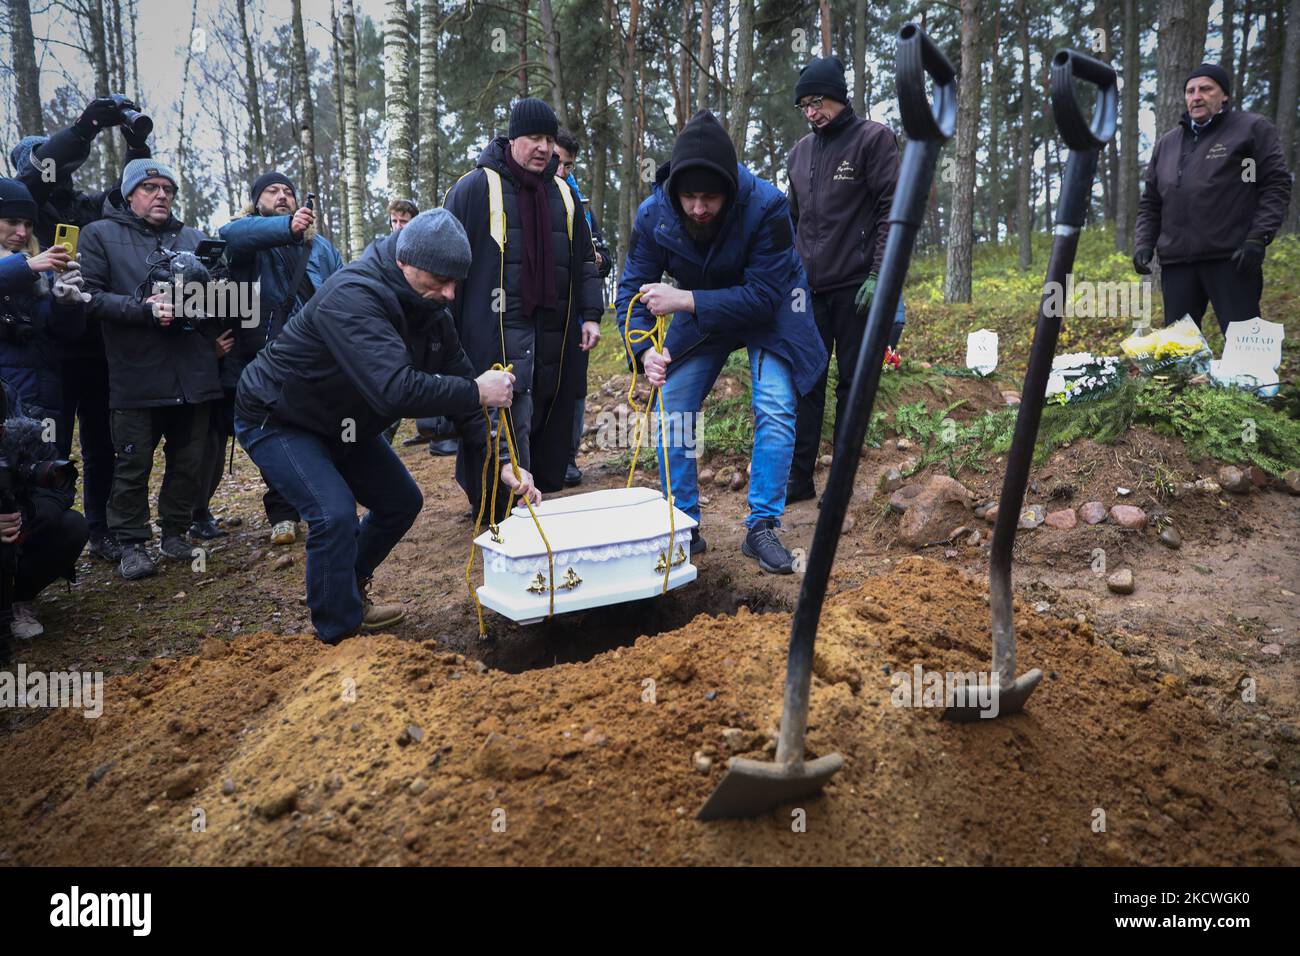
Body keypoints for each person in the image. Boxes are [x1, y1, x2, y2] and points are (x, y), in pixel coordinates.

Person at [234, 209, 537, 644]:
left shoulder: (431, 308)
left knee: (400, 501)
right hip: (279, 415)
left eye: (457, 282)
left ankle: (346, 591)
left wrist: (504, 461)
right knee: (332, 513)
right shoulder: (353, 295)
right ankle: (339, 636)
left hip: (344, 422)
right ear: (404, 260)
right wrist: (475, 390)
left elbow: (465, 392)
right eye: (440, 280)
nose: (450, 294)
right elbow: (393, 390)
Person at [615, 109, 827, 575]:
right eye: (689, 197)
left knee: (775, 403)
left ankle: (762, 526)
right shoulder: (655, 214)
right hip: (701, 310)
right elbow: (631, 291)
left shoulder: (767, 207)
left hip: (770, 308)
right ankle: (684, 522)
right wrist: (643, 350)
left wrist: (685, 298)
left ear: (729, 190)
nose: (698, 208)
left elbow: (762, 297)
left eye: (709, 197)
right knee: (676, 400)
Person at [11, 95, 152, 564]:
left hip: (91, 344)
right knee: (44, 445)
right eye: (50, 160)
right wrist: (87, 126)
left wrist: (135, 147)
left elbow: (124, 199)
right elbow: (38, 172)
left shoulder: (84, 208)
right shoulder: (21, 202)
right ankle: (42, 536)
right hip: (42, 353)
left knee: (100, 444)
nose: (60, 169)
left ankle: (100, 530)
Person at [444, 98, 603, 510]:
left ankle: (529, 503)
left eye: (549, 139)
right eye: (534, 137)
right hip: (494, 329)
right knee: (504, 414)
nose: (544, 147)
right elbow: (445, 262)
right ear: (513, 138)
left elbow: (585, 260)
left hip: (551, 329)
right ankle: (499, 508)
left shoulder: (564, 195)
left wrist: (590, 314)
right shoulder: (474, 188)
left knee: (541, 410)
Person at [79, 158, 224, 581]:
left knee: (189, 459)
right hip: (136, 372)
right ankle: (131, 543)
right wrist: (144, 309)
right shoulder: (100, 234)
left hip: (194, 370)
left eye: (168, 188)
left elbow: (221, 300)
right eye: (150, 187)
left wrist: (213, 301)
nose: (161, 194)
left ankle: (175, 532)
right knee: (132, 462)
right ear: (129, 195)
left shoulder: (194, 237)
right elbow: (88, 299)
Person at [785, 56, 905, 504]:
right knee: (807, 383)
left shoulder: (873, 139)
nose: (811, 113)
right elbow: (791, 222)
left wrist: (879, 274)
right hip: (810, 294)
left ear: (839, 96)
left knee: (854, 384)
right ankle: (798, 481)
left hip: (857, 287)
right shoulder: (799, 154)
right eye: (804, 106)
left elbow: (891, 213)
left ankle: (843, 480)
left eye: (817, 102)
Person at [220, 171, 345, 545]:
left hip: (318, 356)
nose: (282, 196)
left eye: (288, 192)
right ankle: (282, 513)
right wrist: (284, 228)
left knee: (319, 430)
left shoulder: (321, 247)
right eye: (272, 191)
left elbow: (340, 287)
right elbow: (232, 236)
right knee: (276, 431)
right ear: (256, 202)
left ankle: (325, 505)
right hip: (266, 357)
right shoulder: (246, 237)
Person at [1134, 63, 1292, 335]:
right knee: (1179, 351)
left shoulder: (1250, 129)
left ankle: (1252, 379)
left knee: (1244, 346)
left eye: (1206, 89)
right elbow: (1151, 202)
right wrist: (1143, 243)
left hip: (1232, 258)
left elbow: (1275, 184)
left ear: (1224, 95)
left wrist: (1258, 237)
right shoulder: (1167, 144)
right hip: (1177, 263)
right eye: (1190, 90)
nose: (1196, 96)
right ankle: (1186, 380)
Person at [0, 380, 89, 645]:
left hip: (19, 520)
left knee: (72, 527)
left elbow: (58, 482)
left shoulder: (24, 428)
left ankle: (19, 599)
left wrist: (28, 517)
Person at [0, 178, 89, 424]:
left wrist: (67, 302)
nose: (22, 232)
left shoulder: (43, 268)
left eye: (28, 224)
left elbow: (68, 334)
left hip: (43, 400)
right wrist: (25, 267)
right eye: (12, 221)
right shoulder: (31, 266)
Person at [554, 128, 613, 488]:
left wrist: (598, 259)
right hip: (542, 314)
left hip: (577, 314)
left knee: (575, 386)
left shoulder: (581, 204)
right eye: (557, 162)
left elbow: (603, 257)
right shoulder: (532, 196)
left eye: (569, 165)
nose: (562, 170)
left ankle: (568, 459)